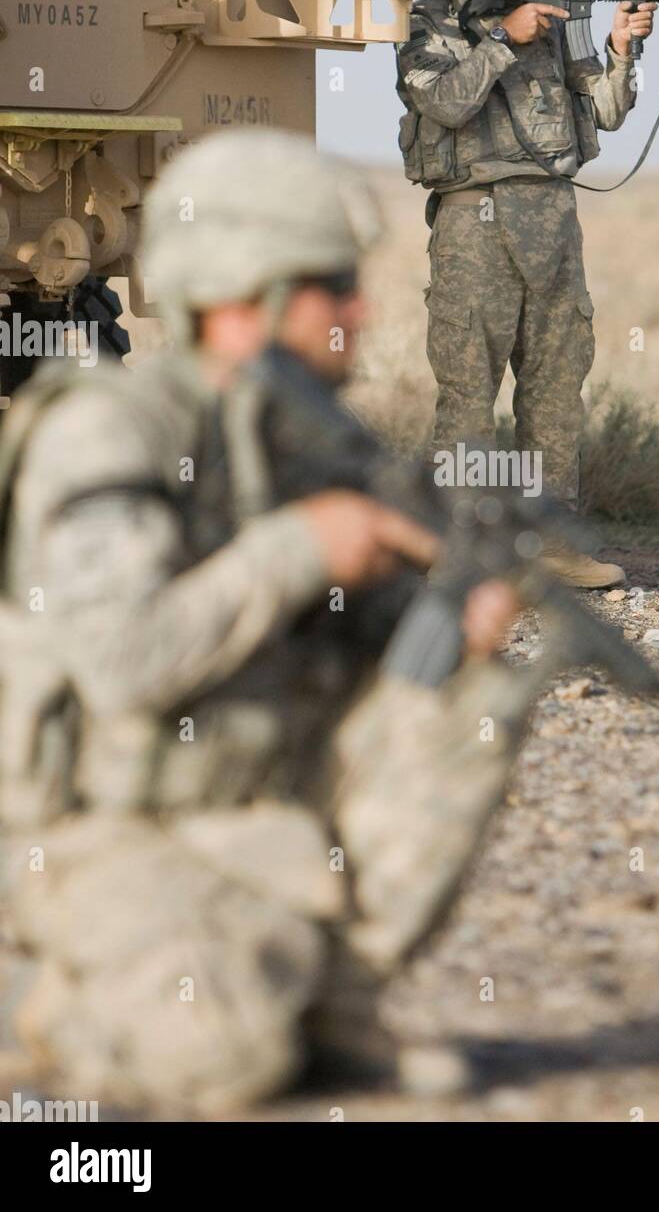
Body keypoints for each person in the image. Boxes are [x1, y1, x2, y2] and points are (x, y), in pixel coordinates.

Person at [0, 128, 539, 1115]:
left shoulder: (301, 440)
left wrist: (452, 613)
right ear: (250, 289)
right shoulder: (109, 429)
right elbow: (126, 661)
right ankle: (34, 1003)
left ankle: (336, 992)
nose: (359, 310)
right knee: (222, 1066)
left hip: (251, 815)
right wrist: (300, 547)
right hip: (93, 834)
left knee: (469, 690)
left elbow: (363, 650)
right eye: (333, 284)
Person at [396, 0, 655, 588]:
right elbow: (445, 102)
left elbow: (603, 108)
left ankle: (553, 546)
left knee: (554, 386)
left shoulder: (554, 17)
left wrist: (622, 50)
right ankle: (460, 547)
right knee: (468, 390)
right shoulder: (430, 24)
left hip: (552, 223)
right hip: (471, 224)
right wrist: (504, 39)